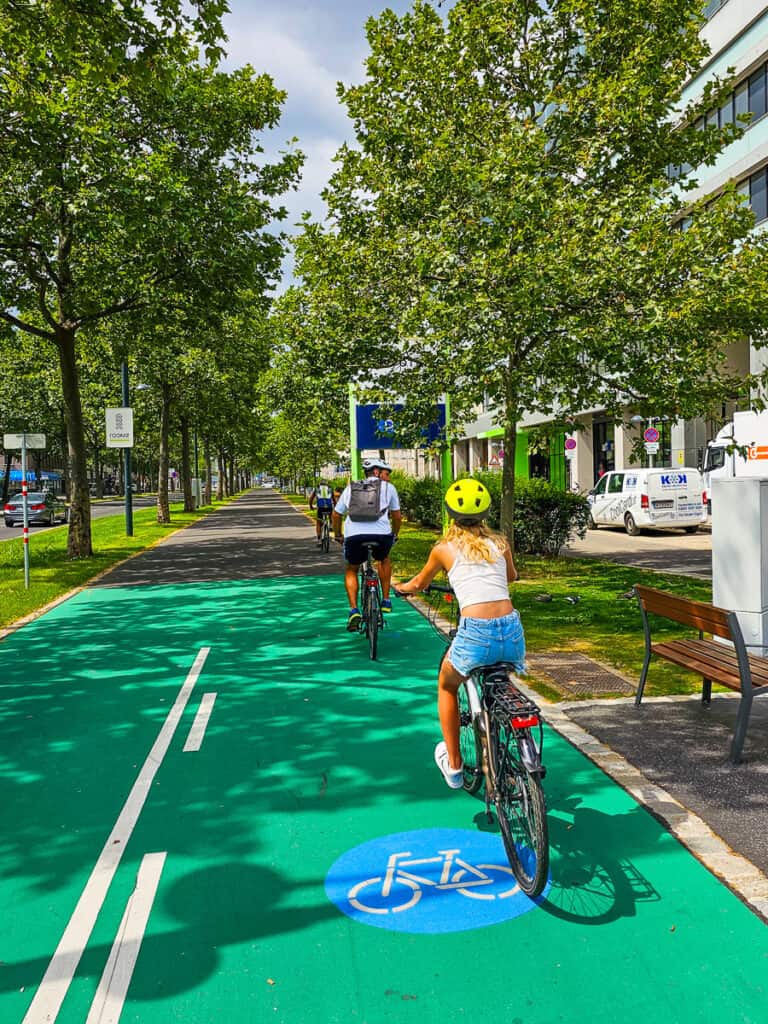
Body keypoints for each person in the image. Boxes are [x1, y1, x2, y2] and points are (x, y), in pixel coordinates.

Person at [394, 479, 525, 790]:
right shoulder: (501, 543)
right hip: (511, 629)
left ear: (450, 514)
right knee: (500, 678)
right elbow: (511, 576)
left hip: (475, 633)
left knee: (447, 684)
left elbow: (419, 584)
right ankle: (507, 740)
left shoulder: (444, 549)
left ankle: (454, 766)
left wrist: (402, 588)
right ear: (485, 513)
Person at [332, 458, 402, 631]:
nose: (389, 478)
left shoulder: (351, 488)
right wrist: (394, 534)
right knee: (384, 559)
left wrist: (339, 535)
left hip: (354, 536)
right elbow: (397, 516)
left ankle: (354, 610)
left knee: (352, 568)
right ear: (377, 472)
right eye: (386, 474)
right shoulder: (389, 488)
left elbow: (336, 515)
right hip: (381, 536)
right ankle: (385, 599)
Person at [308, 479, 335, 545]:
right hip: (329, 507)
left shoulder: (317, 489)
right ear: (327, 484)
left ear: (320, 484)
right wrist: (335, 506)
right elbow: (334, 500)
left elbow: (311, 498)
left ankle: (319, 539)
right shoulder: (330, 489)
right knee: (331, 515)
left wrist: (311, 506)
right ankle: (331, 525)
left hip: (320, 508)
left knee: (319, 523)